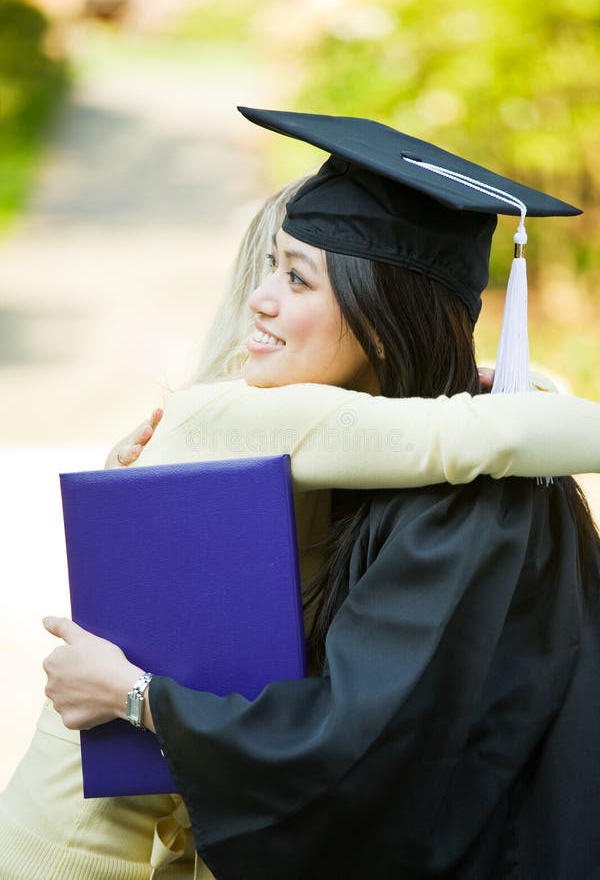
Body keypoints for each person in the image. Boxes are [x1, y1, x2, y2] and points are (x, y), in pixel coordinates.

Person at [41, 109, 600, 880]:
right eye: (271, 265)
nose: (258, 301)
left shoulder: (457, 504)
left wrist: (140, 700)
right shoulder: (258, 431)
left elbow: (356, 746)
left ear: (383, 314)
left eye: (296, 276)